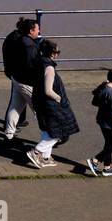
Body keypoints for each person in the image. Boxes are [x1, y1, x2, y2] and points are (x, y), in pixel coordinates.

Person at [26, 38, 79, 169]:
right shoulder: (49, 68)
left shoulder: (38, 62)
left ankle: (45, 157)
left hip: (39, 101)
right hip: (50, 104)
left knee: (47, 129)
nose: (58, 54)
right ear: (52, 53)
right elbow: (48, 91)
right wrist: (59, 98)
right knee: (60, 131)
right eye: (57, 52)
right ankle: (36, 152)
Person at [2, 17, 41, 139]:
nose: (39, 32)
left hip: (15, 75)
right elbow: (31, 64)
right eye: (37, 29)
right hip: (25, 79)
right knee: (40, 110)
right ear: (30, 30)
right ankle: (49, 137)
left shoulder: (15, 38)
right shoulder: (28, 45)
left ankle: (9, 133)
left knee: (15, 105)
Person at [87, 70, 112, 177]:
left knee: (108, 144)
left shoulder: (103, 88)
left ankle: (107, 168)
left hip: (101, 119)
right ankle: (95, 160)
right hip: (108, 123)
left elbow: (94, 102)